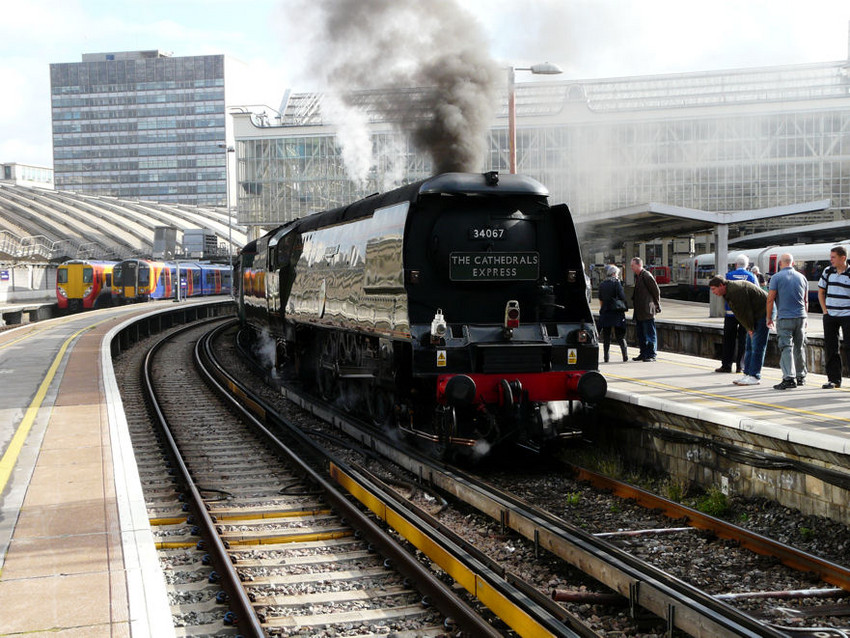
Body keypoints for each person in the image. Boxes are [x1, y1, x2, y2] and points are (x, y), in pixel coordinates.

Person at [708, 276, 768, 385]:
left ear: (721, 285)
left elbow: (745, 311)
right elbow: (739, 312)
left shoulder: (735, 291)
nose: (713, 292)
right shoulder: (728, 291)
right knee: (749, 346)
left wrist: (750, 328)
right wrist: (748, 328)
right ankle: (748, 374)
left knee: (757, 346)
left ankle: (755, 376)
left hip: (763, 312)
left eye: (714, 289)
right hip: (755, 314)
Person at [767, 253, 808, 390]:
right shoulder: (802, 277)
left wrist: (769, 318)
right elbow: (805, 300)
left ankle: (789, 378)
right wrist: (806, 317)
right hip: (801, 317)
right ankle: (801, 376)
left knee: (786, 347)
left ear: (780, 263)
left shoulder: (776, 278)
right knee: (799, 346)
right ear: (793, 263)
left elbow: (770, 299)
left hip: (785, 318)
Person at [716, 254, 757, 373]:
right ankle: (740, 366)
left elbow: (723, 292)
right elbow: (755, 294)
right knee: (743, 340)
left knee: (728, 339)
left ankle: (726, 365)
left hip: (730, 313)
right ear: (747, 265)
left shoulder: (728, 276)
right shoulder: (751, 276)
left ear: (735, 265)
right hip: (745, 314)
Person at [817, 245, 850, 389]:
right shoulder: (828, 271)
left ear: (843, 258)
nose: (830, 260)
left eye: (833, 257)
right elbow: (821, 291)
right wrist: (825, 310)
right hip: (830, 315)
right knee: (831, 347)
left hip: (847, 315)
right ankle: (834, 379)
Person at [630, 257, 661, 362]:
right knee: (641, 334)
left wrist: (657, 304)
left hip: (647, 310)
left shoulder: (646, 276)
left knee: (649, 333)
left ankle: (652, 354)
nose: (631, 268)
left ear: (639, 265)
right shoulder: (639, 277)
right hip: (640, 311)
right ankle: (643, 353)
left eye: (632, 265)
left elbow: (656, 290)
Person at [597, 264, 629, 363]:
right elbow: (622, 296)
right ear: (614, 273)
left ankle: (606, 357)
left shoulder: (602, 284)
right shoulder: (617, 283)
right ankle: (625, 356)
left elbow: (600, 297)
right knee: (620, 335)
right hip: (616, 313)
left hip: (606, 312)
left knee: (606, 336)